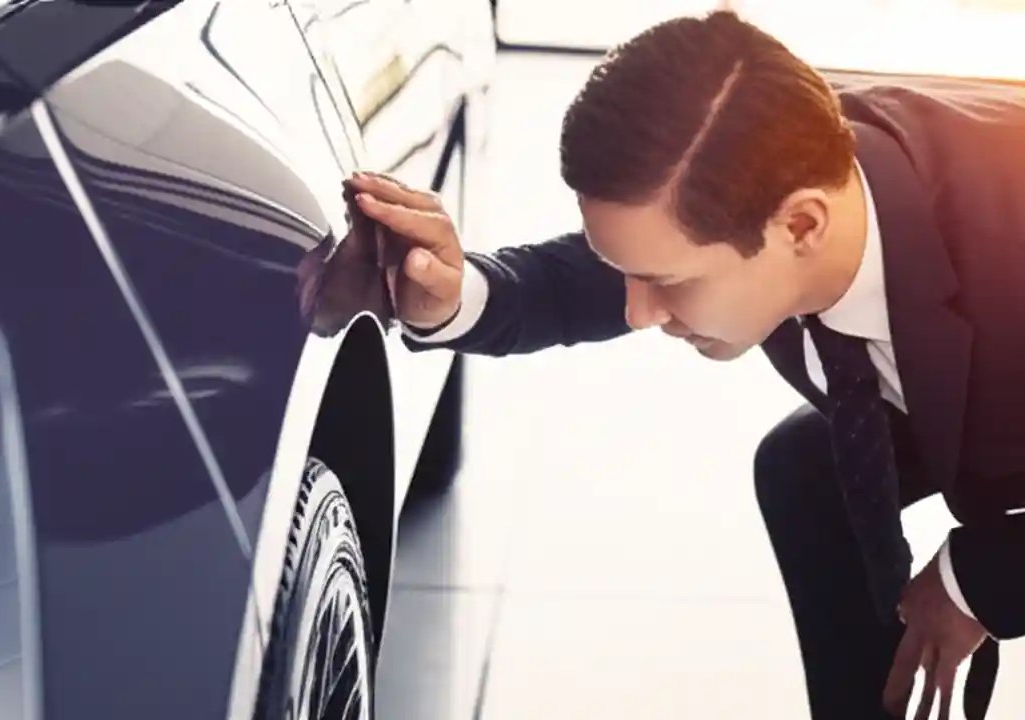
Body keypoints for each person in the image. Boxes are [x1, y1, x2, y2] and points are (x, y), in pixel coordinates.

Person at [345, 10, 1025, 720]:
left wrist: (979, 582)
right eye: (633, 273)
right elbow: (596, 276)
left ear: (802, 226)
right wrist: (449, 295)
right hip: (962, 387)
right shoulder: (768, 165)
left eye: (669, 282)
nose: (640, 312)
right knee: (803, 466)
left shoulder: (1005, 244)